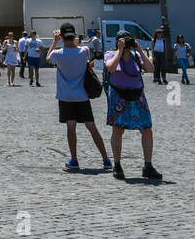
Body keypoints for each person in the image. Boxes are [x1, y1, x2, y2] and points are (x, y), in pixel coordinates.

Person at [46, 23, 110, 173]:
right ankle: (106, 159)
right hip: (82, 96)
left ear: (61, 36)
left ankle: (74, 159)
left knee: (71, 128)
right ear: (74, 36)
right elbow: (81, 50)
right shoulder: (84, 51)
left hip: (66, 97)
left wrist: (55, 42)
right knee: (92, 128)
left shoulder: (58, 54)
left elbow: (48, 58)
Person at [104, 31, 160, 180]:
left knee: (147, 129)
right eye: (123, 40)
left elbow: (151, 69)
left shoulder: (136, 56)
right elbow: (111, 67)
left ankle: (148, 166)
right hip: (118, 96)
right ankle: (117, 165)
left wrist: (139, 49)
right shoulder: (110, 54)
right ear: (117, 42)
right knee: (118, 129)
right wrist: (120, 51)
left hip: (137, 96)